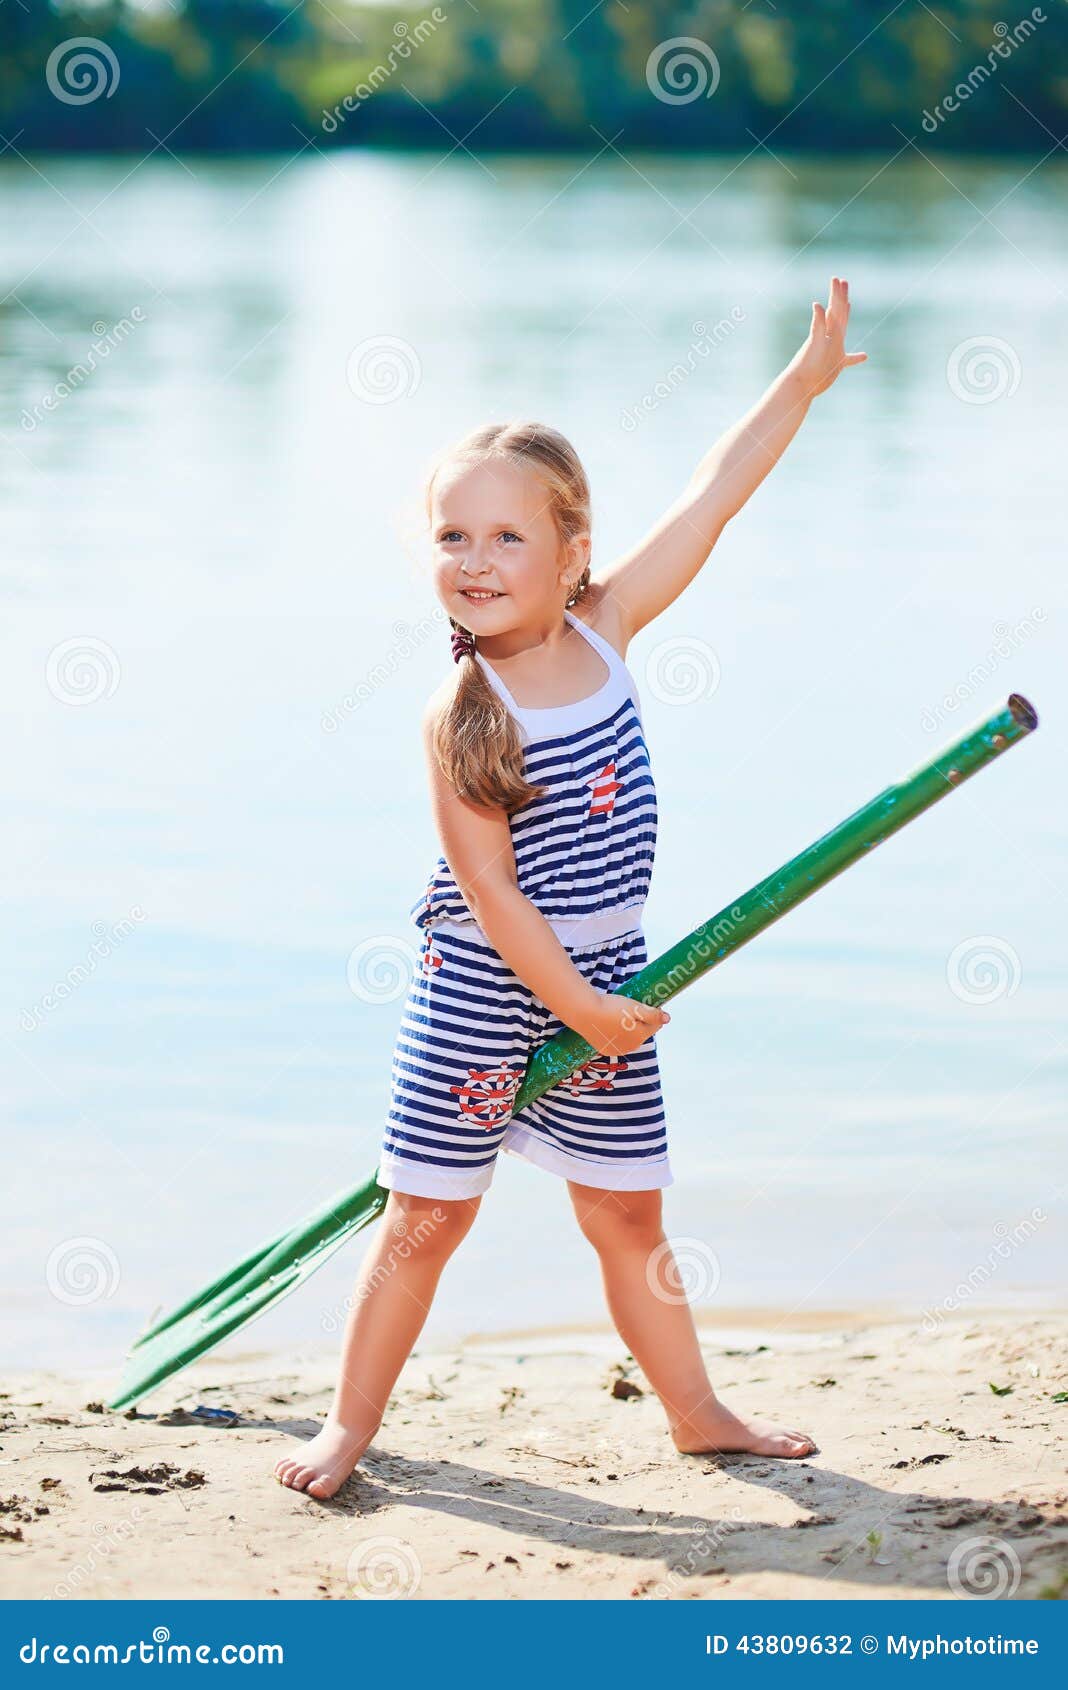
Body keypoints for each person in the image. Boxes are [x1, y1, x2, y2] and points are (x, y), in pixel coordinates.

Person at [275, 277, 866, 1499]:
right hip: (485, 990)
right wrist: (576, 1013)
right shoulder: (463, 716)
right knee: (428, 1218)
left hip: (607, 973)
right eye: (453, 536)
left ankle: (698, 1412)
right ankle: (346, 1425)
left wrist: (798, 387)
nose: (477, 561)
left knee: (629, 1220)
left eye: (507, 537)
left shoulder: (607, 629)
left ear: (573, 550)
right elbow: (492, 899)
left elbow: (714, 494)